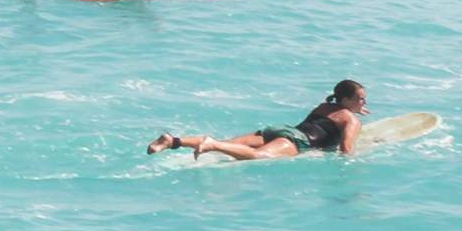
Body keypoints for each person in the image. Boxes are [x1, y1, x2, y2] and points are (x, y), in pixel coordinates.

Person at [148, 80, 370, 161]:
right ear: (347, 99)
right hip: (295, 141)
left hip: (279, 130)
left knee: (230, 143)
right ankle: (210, 144)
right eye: (360, 99)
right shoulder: (351, 120)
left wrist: (353, 112)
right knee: (257, 156)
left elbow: (330, 119)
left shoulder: (325, 105)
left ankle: (172, 141)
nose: (364, 103)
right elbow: (346, 151)